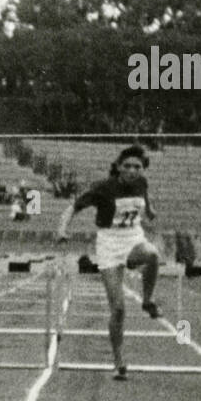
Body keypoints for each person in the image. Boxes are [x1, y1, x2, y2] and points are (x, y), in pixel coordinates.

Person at [55, 144, 161, 381]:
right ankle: (118, 359)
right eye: (128, 166)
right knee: (119, 309)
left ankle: (147, 300)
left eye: (137, 167)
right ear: (118, 167)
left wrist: (151, 211)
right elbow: (72, 208)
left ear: (142, 169)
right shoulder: (104, 188)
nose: (132, 171)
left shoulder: (142, 183)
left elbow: (145, 199)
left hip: (133, 237)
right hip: (109, 244)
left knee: (153, 255)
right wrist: (62, 229)